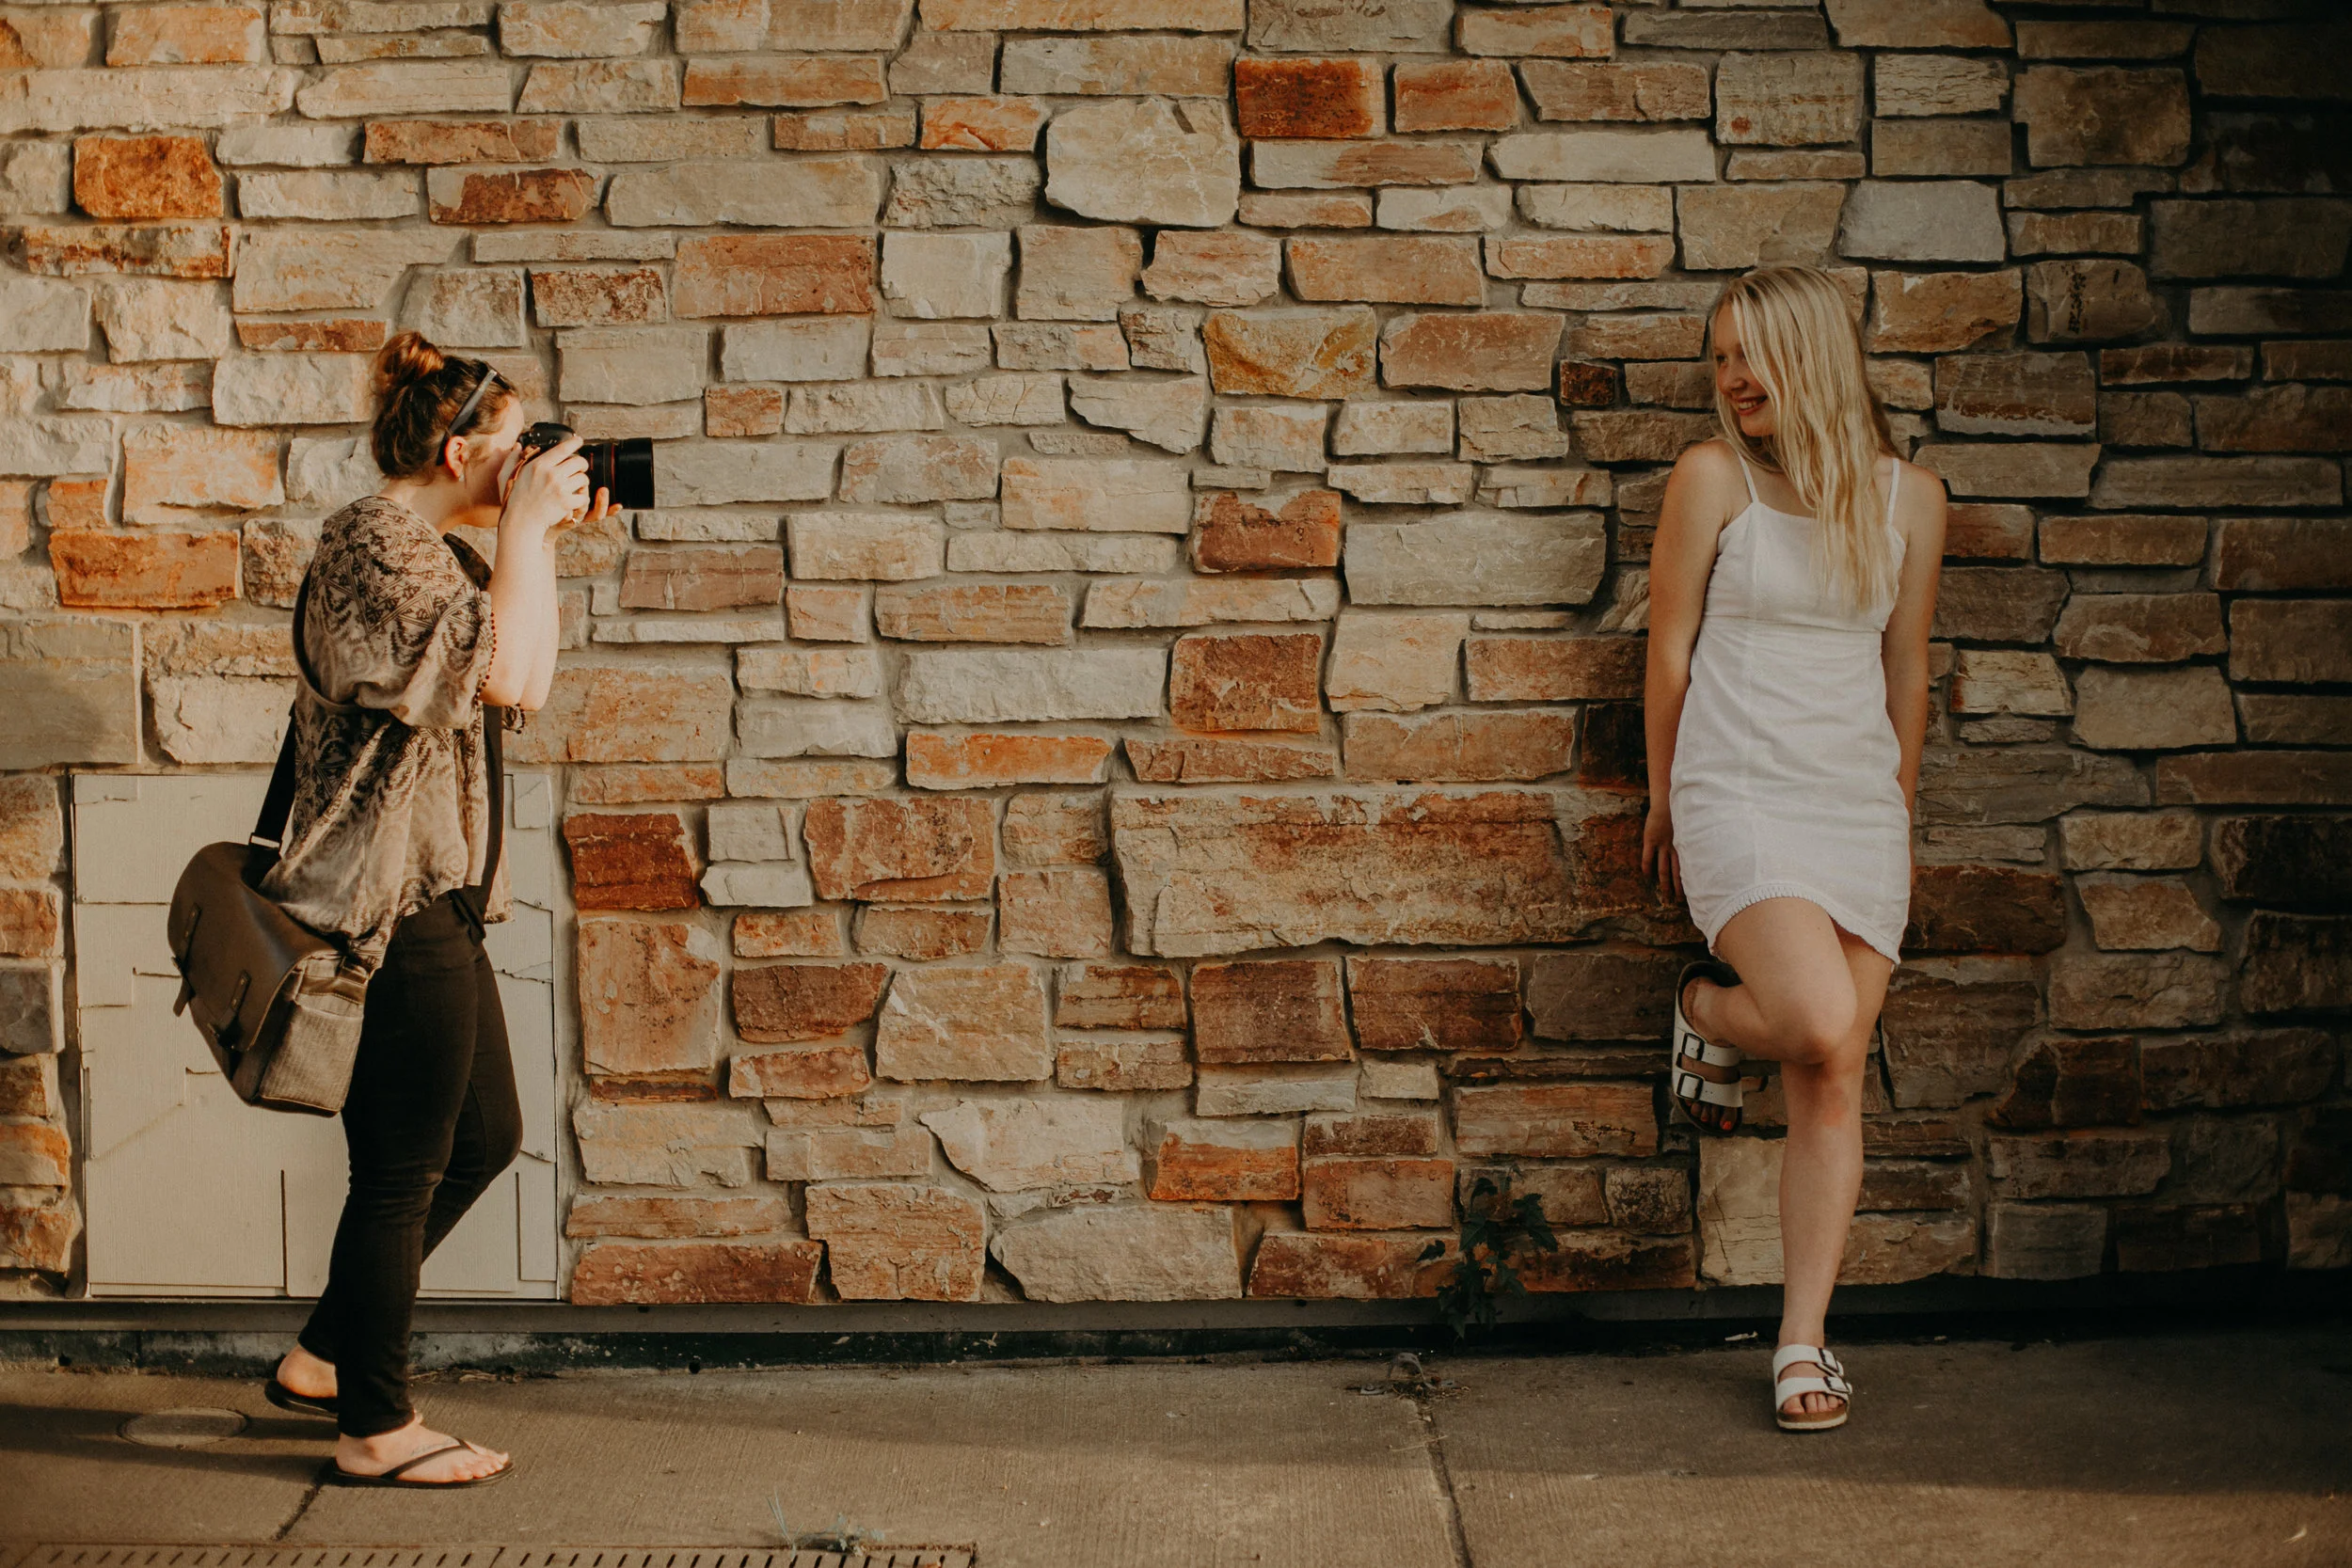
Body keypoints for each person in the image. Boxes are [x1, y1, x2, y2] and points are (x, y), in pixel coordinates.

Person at [254, 332, 612, 1487]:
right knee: (402, 1165)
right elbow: (501, 676)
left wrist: (535, 541)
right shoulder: (374, 543)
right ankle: (376, 1420)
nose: (528, 465)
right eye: (514, 449)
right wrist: (518, 532)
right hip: (385, 895)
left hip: (441, 887)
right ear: (459, 448)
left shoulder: (443, 555)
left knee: (486, 1134)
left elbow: (530, 676)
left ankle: (322, 1353)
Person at [1641, 267, 1947, 1433]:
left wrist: (1898, 808)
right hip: (1741, 793)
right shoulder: (1711, 479)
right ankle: (1706, 1011)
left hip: (1855, 805)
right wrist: (1664, 792)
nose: (1730, 377)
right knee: (1817, 1022)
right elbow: (1668, 651)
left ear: (1811, 352)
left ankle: (1802, 1341)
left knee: (1829, 1078)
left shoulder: (1911, 498)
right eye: (1717, 355)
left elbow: (1904, 665)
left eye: (1750, 352)